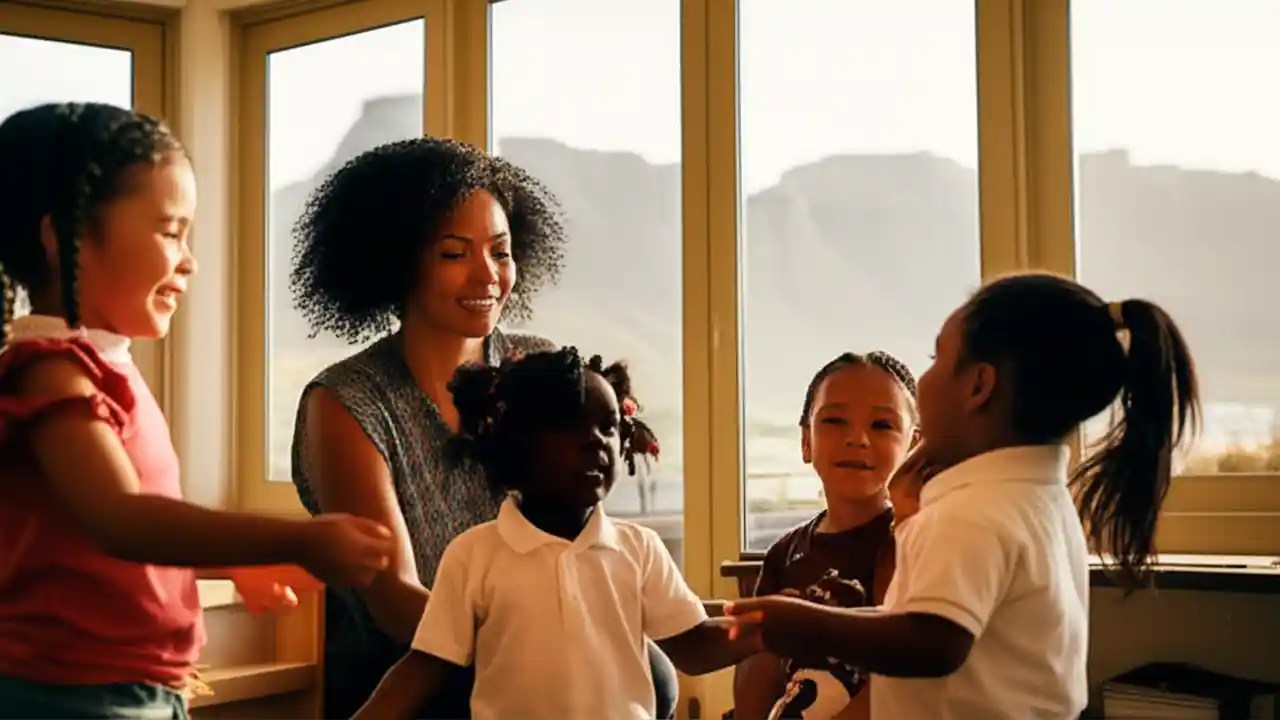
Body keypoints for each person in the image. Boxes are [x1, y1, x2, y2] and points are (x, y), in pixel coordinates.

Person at [0, 102, 395, 719]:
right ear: (66, 237)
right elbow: (122, 519)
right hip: (75, 696)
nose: (189, 261)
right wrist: (297, 538)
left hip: (134, 690)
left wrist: (238, 558)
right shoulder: (52, 373)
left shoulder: (96, 365)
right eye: (169, 231)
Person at [288, 137, 680, 718]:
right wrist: (530, 648)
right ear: (396, 261)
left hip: (548, 666)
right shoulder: (345, 401)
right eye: (454, 253)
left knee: (657, 676)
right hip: (409, 672)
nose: (487, 275)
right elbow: (393, 597)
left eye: (500, 251)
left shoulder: (536, 363)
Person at [724, 272, 1200, 720]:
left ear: (978, 386)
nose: (926, 379)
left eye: (935, 360)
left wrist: (811, 625)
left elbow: (932, 642)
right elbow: (920, 620)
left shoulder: (972, 512)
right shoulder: (1035, 499)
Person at [356, 347, 762, 719]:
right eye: (569, 425)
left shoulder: (640, 548)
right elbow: (426, 665)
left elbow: (693, 646)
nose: (595, 443)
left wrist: (778, 625)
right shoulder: (473, 554)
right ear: (517, 442)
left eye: (608, 427)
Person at [733, 352, 917, 720]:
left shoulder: (911, 544)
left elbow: (897, 686)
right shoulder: (784, 554)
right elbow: (756, 672)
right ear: (805, 441)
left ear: (914, 445)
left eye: (882, 425)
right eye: (834, 420)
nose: (857, 438)